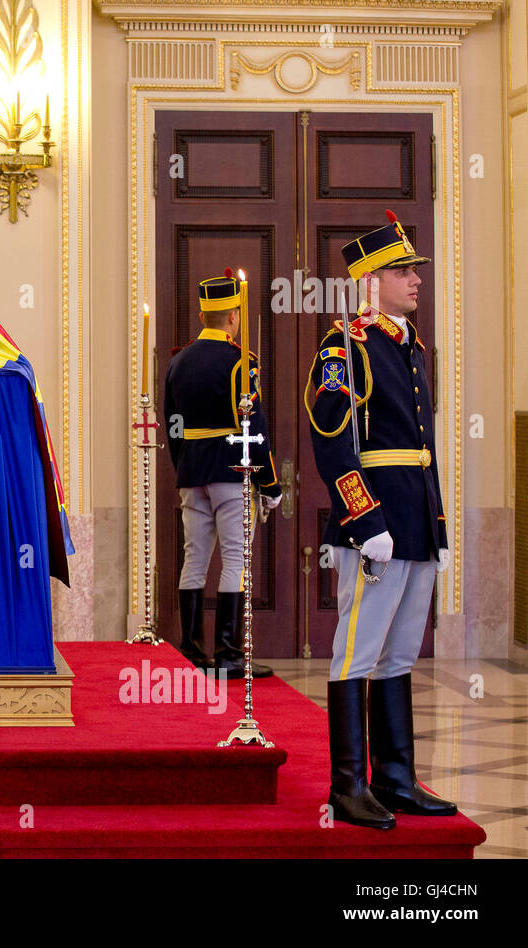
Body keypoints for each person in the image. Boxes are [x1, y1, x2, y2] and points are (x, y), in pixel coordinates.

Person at [305, 210, 456, 830]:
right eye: (402, 270)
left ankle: (395, 778)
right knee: (356, 652)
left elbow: (423, 444)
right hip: (377, 524)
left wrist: (438, 526)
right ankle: (347, 786)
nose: (416, 279)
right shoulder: (345, 347)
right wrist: (364, 519)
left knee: (398, 656)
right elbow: (330, 438)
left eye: (415, 269)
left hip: (416, 522)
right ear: (371, 282)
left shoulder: (410, 346)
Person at [164, 268, 282, 678]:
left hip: (191, 472)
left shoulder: (178, 362)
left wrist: (184, 467)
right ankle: (230, 655)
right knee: (235, 559)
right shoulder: (240, 362)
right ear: (234, 317)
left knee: (194, 559)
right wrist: (270, 483)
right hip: (231, 470)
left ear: (202, 316)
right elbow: (255, 427)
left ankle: (192, 653)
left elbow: (173, 423)